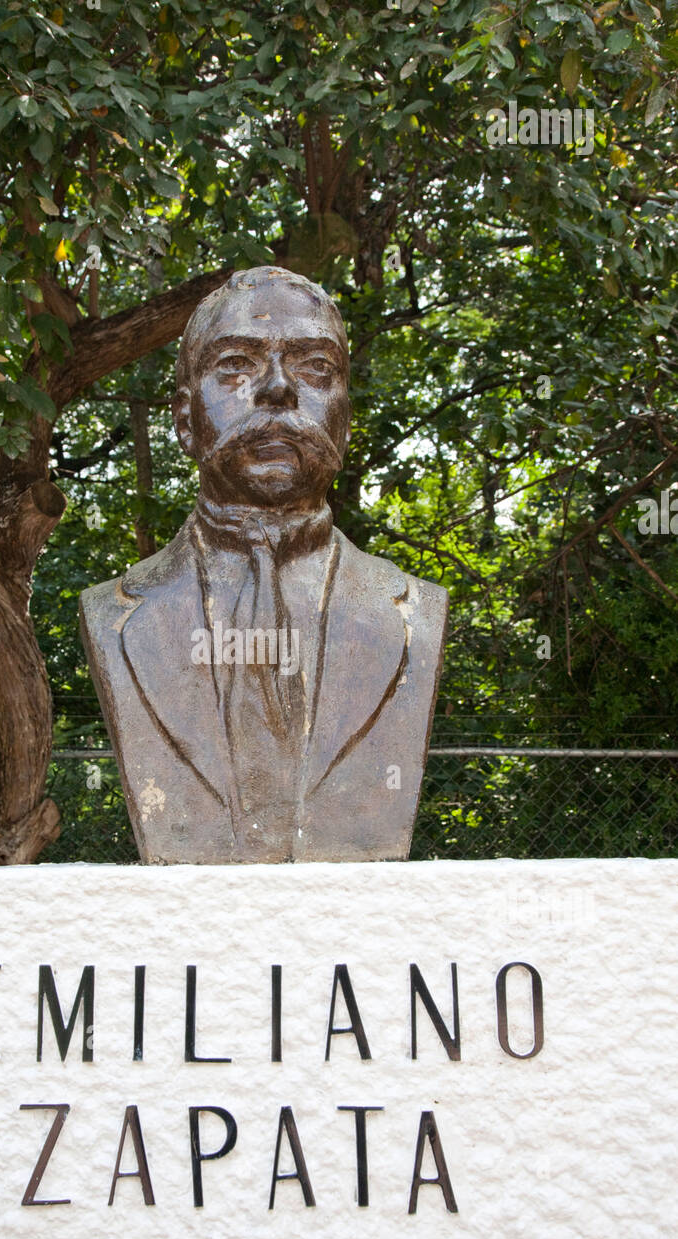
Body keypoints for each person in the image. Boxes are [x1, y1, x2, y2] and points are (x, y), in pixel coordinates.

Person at [80, 266, 447, 863]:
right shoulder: (112, 615)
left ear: (346, 422)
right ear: (183, 421)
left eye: (315, 367)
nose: (277, 388)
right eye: (236, 365)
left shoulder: (415, 612)